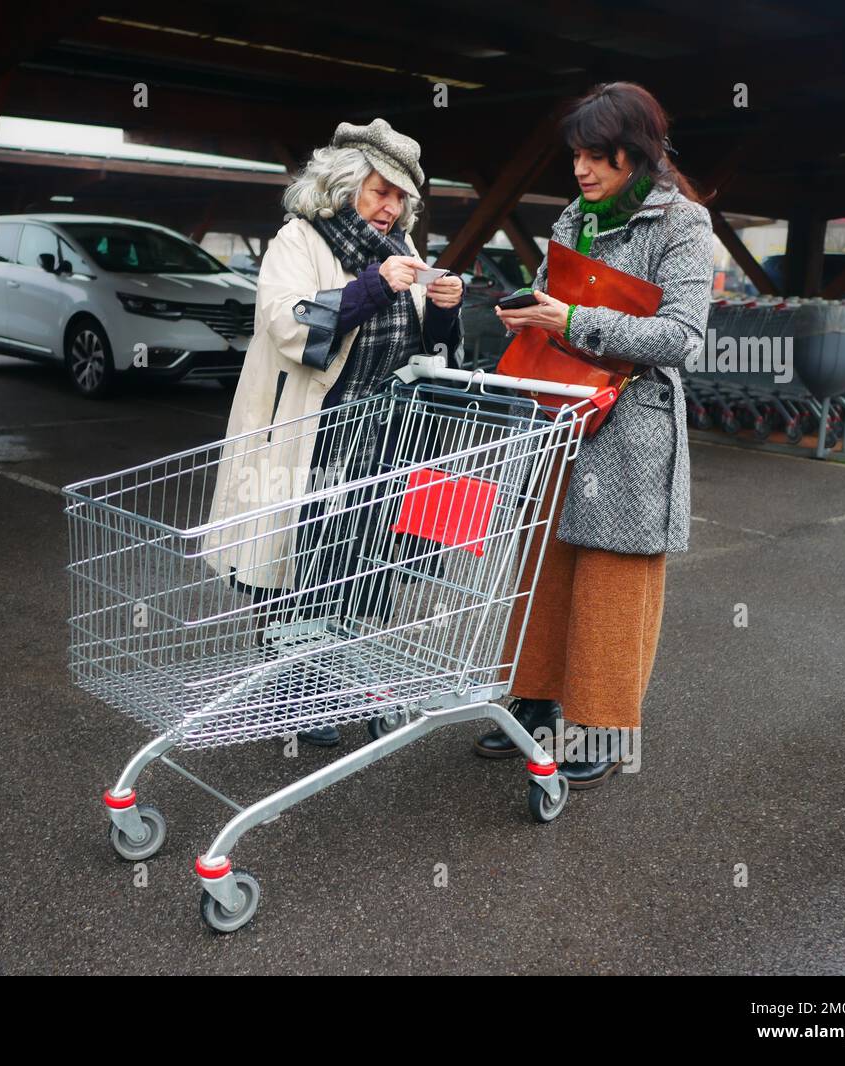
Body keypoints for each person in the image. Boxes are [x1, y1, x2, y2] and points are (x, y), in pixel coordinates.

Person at [472, 81, 714, 790]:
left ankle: (602, 723)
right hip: (565, 412)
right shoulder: (574, 217)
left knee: (611, 577)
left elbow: (683, 337)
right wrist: (527, 310)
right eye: (575, 155)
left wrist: (573, 325)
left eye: (596, 156)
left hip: (633, 423)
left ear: (634, 151)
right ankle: (536, 704)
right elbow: (553, 291)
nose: (580, 170)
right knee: (544, 567)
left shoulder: (683, 224)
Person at [206, 117, 464, 747]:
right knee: (299, 558)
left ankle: (337, 673)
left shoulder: (402, 252)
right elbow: (292, 327)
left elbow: (423, 347)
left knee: (356, 559)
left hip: (380, 438)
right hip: (308, 432)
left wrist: (446, 310)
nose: (391, 207)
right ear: (345, 186)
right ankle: (291, 687)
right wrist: (375, 286)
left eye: (401, 197)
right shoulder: (299, 241)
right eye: (381, 192)